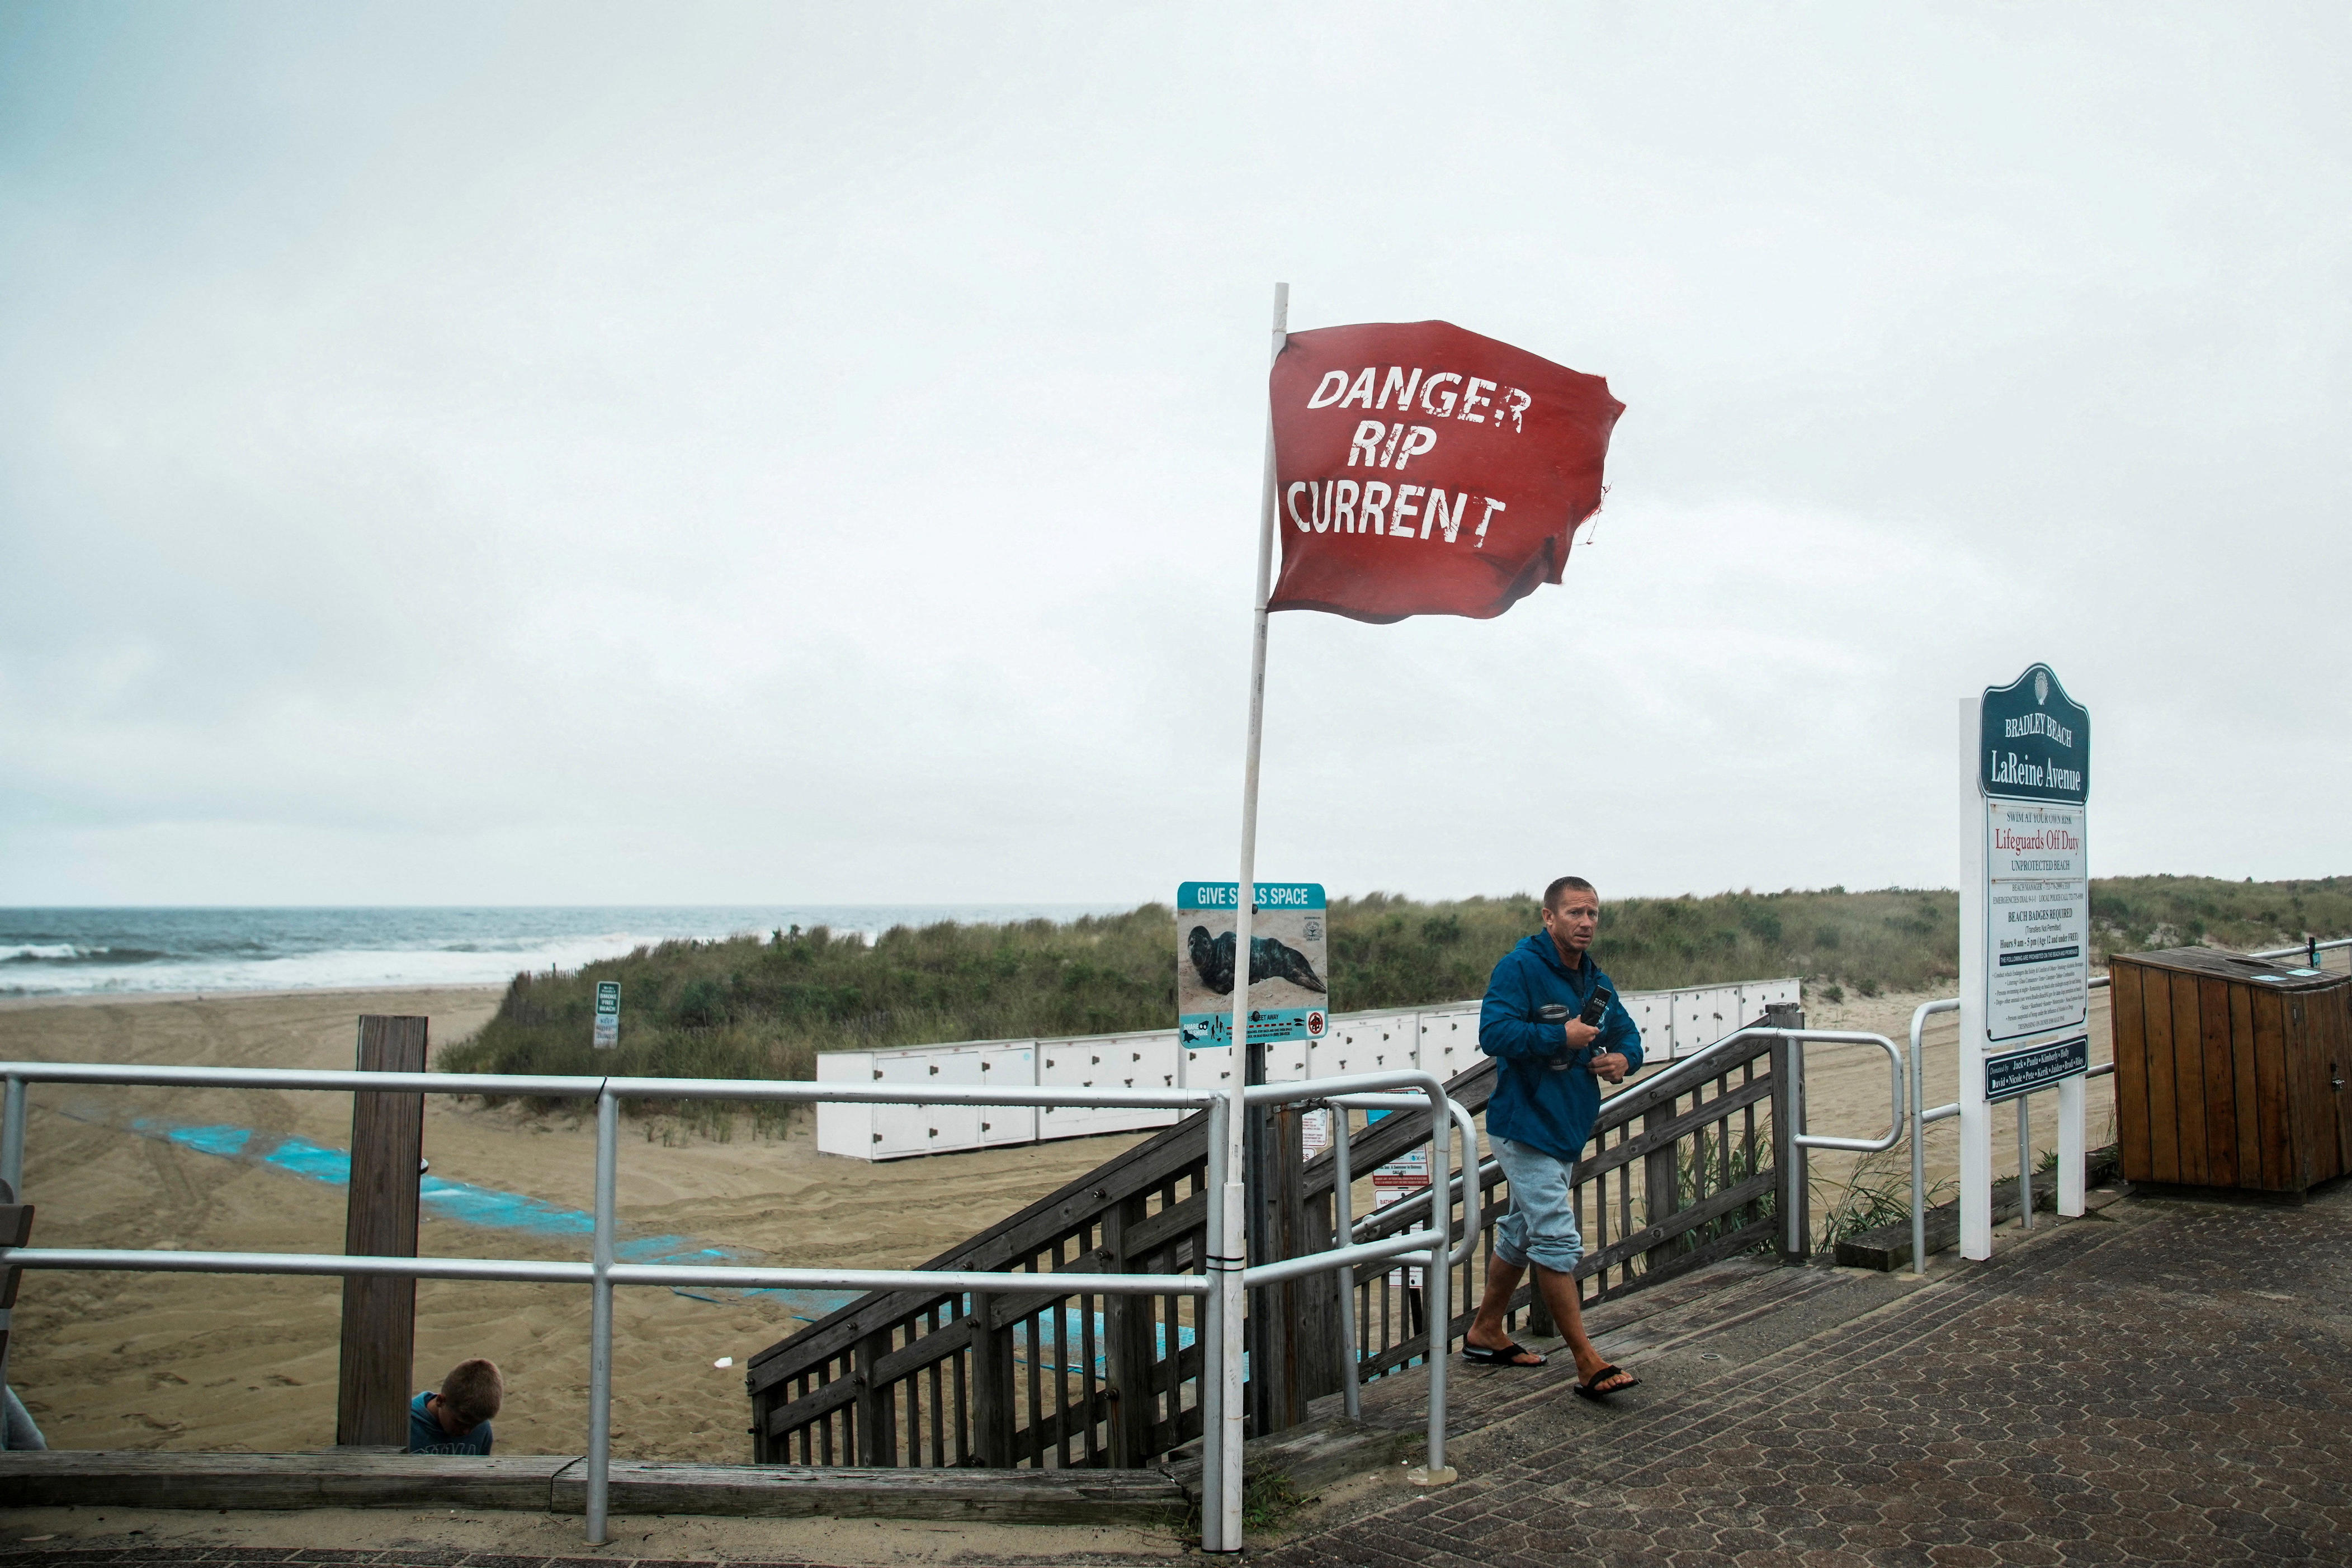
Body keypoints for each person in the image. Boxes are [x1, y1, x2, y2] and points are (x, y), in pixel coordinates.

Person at [1461, 876, 1643, 1400]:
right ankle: (1588, 1362)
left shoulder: (1595, 982)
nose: (1585, 923)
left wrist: (1622, 1059)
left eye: (1592, 914)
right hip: (1524, 1127)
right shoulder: (1518, 969)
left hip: (1567, 1128)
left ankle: (1485, 1331)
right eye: (1574, 914)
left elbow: (1627, 1033)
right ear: (1548, 917)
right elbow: (1494, 1034)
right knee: (1557, 1238)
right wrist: (1557, 1036)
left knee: (1521, 1231)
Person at [408, 1358, 502, 1455]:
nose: (467, 1432)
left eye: (475, 1425)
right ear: (440, 1401)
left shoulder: (482, 1429)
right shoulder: (406, 1425)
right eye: (460, 1423)